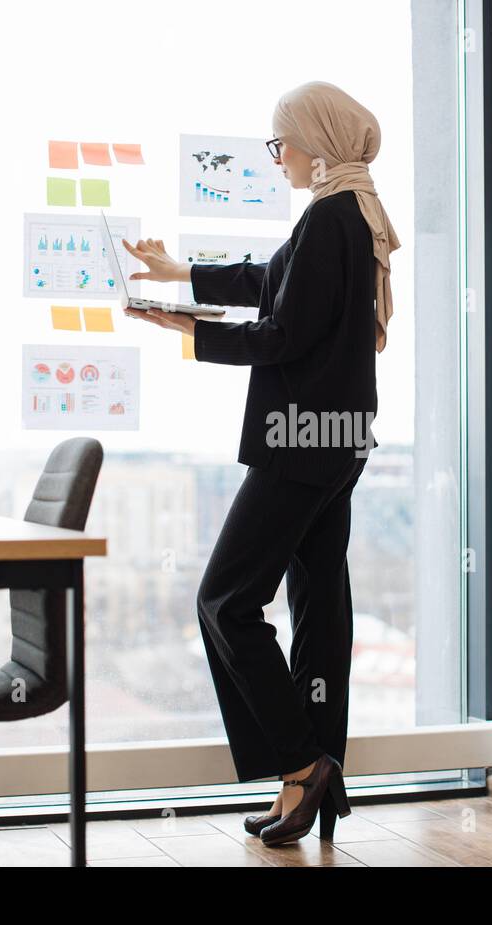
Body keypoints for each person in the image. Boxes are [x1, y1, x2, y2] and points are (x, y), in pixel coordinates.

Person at [122, 80, 400, 847]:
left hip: (302, 443)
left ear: (315, 138)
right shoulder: (347, 215)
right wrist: (179, 275)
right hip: (338, 442)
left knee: (225, 601)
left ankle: (302, 764)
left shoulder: (332, 219)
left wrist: (184, 330)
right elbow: (271, 281)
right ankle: (312, 782)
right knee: (318, 611)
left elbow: (279, 336)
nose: (277, 158)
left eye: (281, 143)